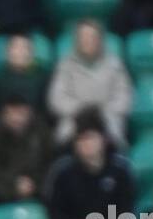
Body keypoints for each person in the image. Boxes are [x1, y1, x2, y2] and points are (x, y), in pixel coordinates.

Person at [46, 20, 134, 148]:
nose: (87, 41)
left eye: (91, 37)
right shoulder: (65, 65)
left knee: (114, 130)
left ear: (100, 39)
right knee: (64, 134)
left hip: (107, 118)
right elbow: (56, 99)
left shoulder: (115, 65)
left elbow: (125, 97)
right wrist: (83, 110)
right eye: (83, 37)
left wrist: (102, 112)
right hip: (75, 118)